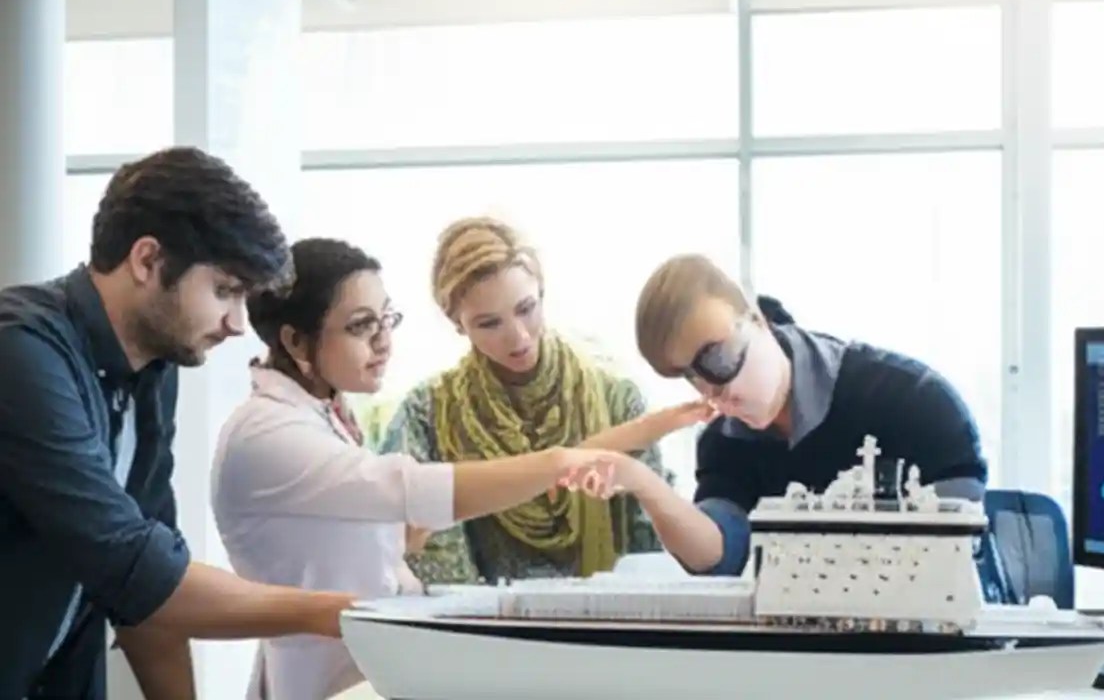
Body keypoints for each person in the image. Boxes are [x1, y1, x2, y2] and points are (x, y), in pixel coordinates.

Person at [0, 148, 356, 700]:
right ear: (147, 260)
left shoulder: (154, 370)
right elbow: (132, 565)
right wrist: (338, 613)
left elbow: (147, 595)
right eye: (224, 291)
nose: (238, 324)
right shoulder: (20, 351)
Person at [212, 237, 629, 699]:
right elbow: (415, 490)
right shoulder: (269, 434)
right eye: (360, 326)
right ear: (295, 341)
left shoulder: (325, 414)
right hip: (331, 681)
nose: (384, 342)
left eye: (386, 319)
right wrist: (557, 463)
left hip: (369, 672)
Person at [599, 253, 990, 578]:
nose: (715, 391)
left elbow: (956, 560)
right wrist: (644, 484)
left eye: (719, 359)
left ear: (756, 320)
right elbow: (721, 552)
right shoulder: (724, 441)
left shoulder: (913, 403)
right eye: (691, 377)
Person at [379, 217, 709, 585]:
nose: (517, 337)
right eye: (489, 324)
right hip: (478, 632)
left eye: (526, 308)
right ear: (457, 323)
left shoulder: (617, 400)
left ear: (542, 292)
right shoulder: (426, 415)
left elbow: (647, 558)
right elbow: (431, 566)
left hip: (606, 626)